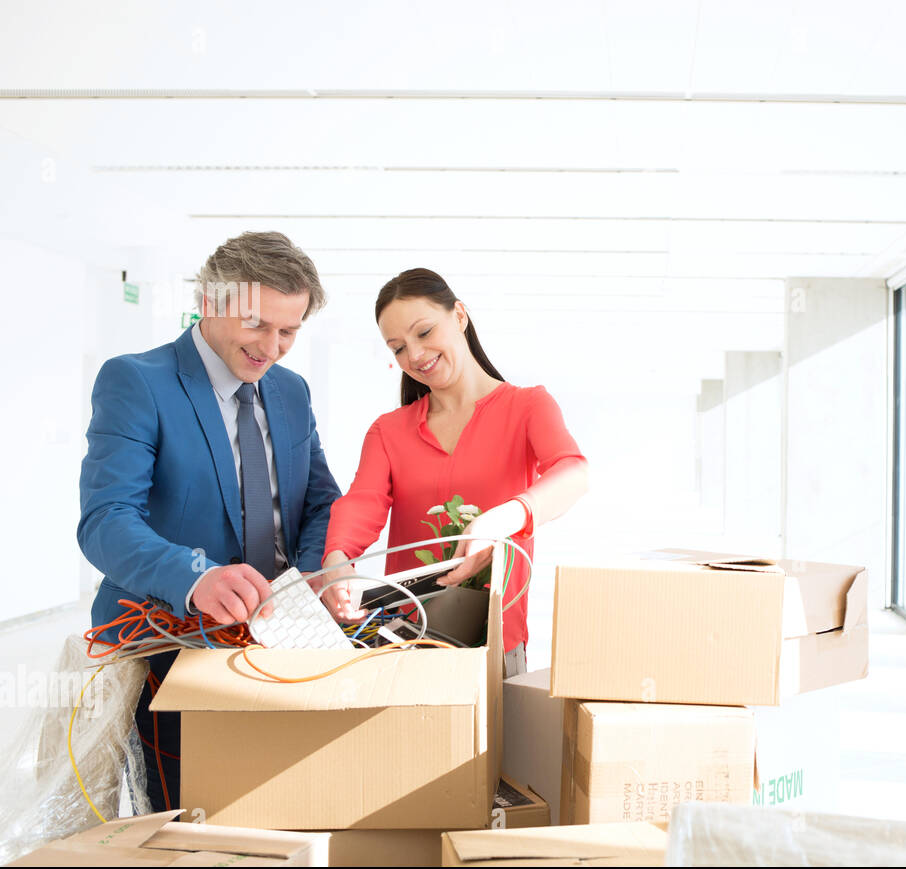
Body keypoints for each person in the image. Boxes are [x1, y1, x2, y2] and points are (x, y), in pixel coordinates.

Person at [77, 231, 341, 813]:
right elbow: (105, 519)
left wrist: (310, 574)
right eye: (257, 324)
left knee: (281, 806)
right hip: (169, 637)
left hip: (278, 633)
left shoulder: (290, 392)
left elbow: (322, 501)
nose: (271, 347)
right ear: (209, 300)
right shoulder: (136, 381)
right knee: (187, 815)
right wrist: (196, 576)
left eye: (289, 331)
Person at [321, 268, 588, 677]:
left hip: (495, 644)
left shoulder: (528, 407)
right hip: (407, 642)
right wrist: (338, 561)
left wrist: (500, 519)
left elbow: (572, 472)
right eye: (397, 348)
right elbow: (361, 504)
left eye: (424, 332)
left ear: (459, 316)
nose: (414, 355)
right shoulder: (389, 432)